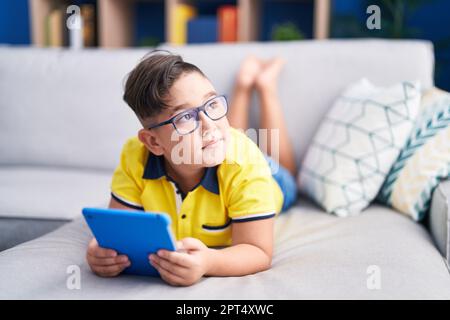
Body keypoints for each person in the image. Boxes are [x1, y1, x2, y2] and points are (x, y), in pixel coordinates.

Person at [86, 51, 298, 286]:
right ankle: (244, 85)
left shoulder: (247, 165)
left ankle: (264, 86)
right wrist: (102, 250)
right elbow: (120, 230)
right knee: (222, 136)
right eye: (186, 117)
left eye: (213, 103)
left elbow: (258, 251)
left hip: (272, 179)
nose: (208, 126)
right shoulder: (135, 156)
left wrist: (210, 262)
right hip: (227, 152)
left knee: (284, 169)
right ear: (154, 143)